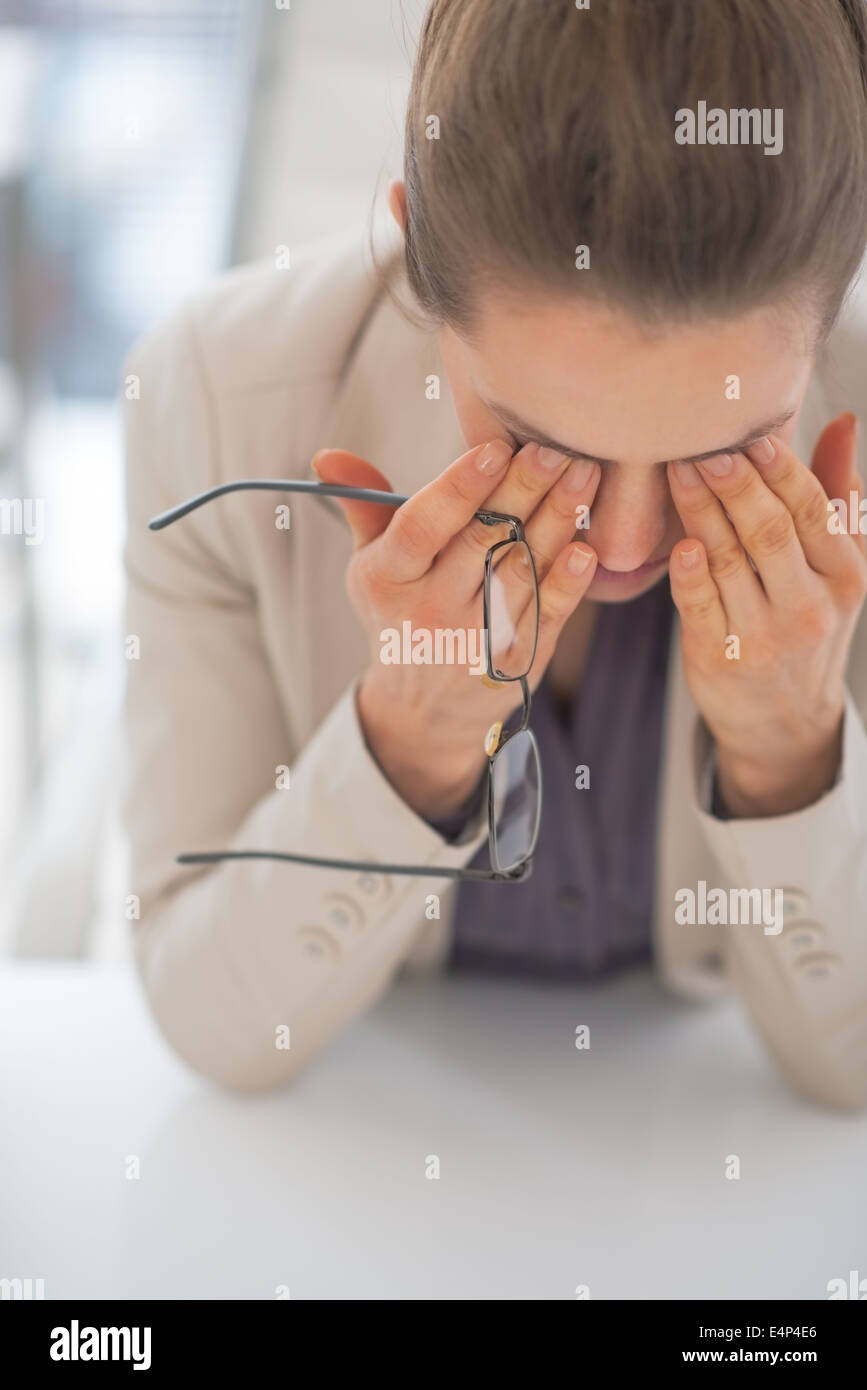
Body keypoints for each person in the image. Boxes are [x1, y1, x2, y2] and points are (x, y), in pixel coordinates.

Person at [121, 0, 867, 1107]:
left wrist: (788, 753)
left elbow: (847, 1075)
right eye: (535, 444)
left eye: (728, 449)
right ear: (416, 257)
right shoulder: (217, 395)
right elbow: (218, 1028)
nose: (621, 546)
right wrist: (405, 747)